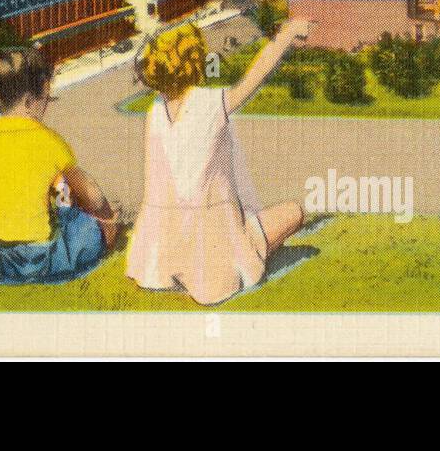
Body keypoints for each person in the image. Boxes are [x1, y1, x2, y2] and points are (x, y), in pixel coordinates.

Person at [126, 19, 311, 305]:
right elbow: (256, 75)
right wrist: (286, 35)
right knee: (294, 212)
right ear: (194, 61)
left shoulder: (155, 112)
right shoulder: (212, 103)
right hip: (211, 250)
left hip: (161, 250)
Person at [0, 45, 118, 285]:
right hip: (33, 260)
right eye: (45, 98)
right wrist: (106, 219)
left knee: (57, 186)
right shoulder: (48, 141)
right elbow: (92, 194)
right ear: (28, 100)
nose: (46, 105)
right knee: (89, 226)